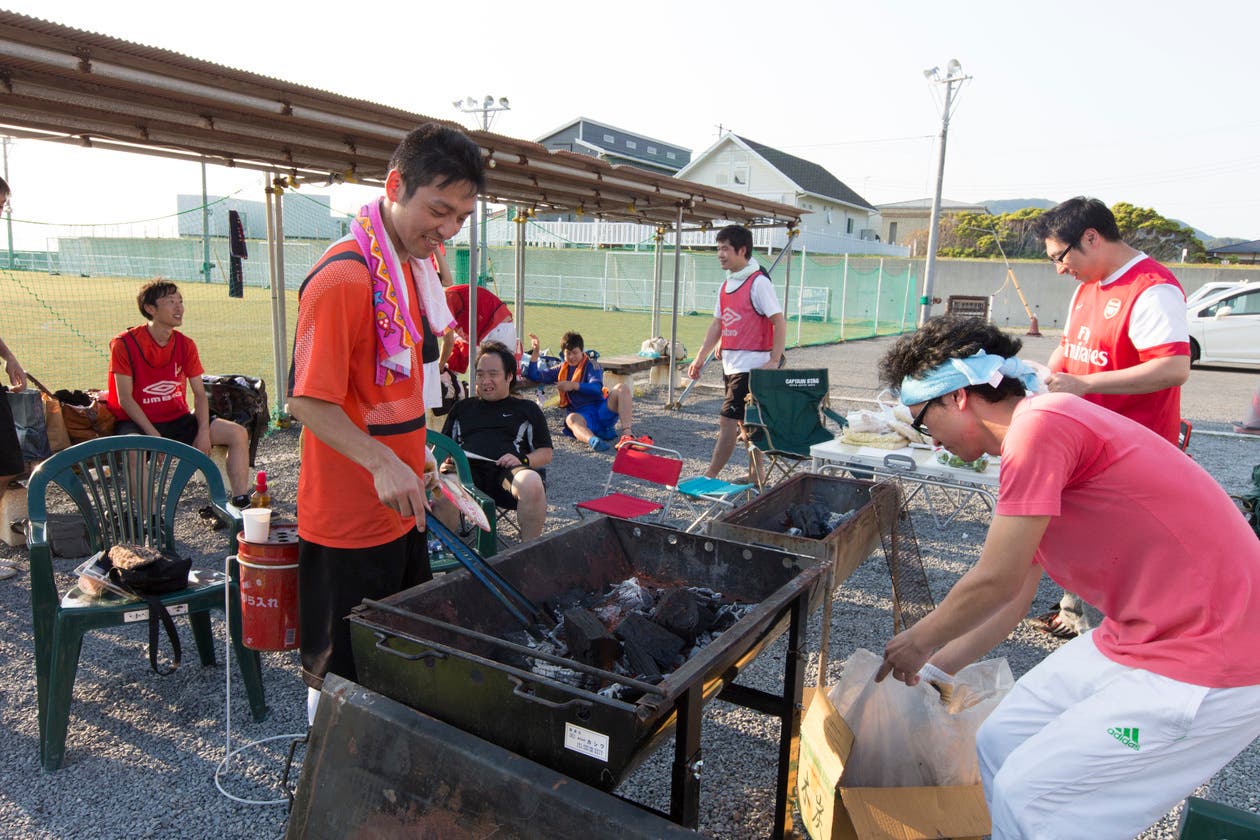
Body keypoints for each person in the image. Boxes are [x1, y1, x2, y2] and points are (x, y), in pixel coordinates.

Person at [874, 315, 1260, 840]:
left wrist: (915, 642)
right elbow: (1013, 593)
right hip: (1142, 633)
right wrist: (934, 672)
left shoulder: (1041, 427)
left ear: (958, 398)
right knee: (998, 742)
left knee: (1034, 797)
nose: (930, 440)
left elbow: (994, 578)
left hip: (1210, 656)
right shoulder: (1040, 430)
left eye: (922, 421)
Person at [288, 123, 482, 723]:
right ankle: (324, 793)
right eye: (438, 210)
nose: (448, 230)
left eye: (462, 218)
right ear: (396, 184)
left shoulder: (413, 268)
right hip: (348, 517)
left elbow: (388, 392)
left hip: (403, 506)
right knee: (339, 672)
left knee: (395, 657)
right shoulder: (346, 275)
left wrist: (417, 456)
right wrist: (379, 461)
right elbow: (305, 401)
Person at [1032, 197, 1192, 638]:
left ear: (1091, 237)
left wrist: (1087, 386)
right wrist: (1041, 380)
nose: (1059, 270)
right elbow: (1071, 349)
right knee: (1081, 535)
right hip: (1085, 441)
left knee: (1120, 547)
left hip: (1131, 449)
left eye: (1060, 258)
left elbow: (1174, 368)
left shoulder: (1151, 288)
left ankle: (1122, 637)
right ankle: (1074, 612)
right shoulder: (1088, 285)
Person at [103, 279, 255, 508]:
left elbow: (199, 393)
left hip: (176, 419)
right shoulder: (124, 344)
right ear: (150, 309)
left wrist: (203, 431)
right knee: (134, 450)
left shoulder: (185, 344)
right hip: (137, 422)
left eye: (181, 301)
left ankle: (240, 503)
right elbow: (125, 398)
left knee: (238, 434)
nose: (179, 308)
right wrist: (154, 435)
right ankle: (150, 518)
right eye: (170, 302)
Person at [686, 224, 785, 483]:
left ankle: (709, 477)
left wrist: (774, 360)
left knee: (727, 423)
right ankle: (756, 475)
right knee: (745, 424)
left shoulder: (759, 283)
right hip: (731, 365)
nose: (720, 254)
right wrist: (700, 357)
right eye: (718, 248)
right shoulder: (726, 285)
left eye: (725, 249)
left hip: (752, 367)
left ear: (742, 251)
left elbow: (779, 321)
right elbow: (719, 323)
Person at [440, 341, 552, 541]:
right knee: (444, 485)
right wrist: (445, 461)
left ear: (509, 376)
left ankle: (528, 553)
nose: (485, 381)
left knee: (533, 482)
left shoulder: (527, 409)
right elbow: (443, 448)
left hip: (508, 476)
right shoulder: (462, 408)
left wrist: (522, 460)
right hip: (466, 474)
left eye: (493, 374)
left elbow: (546, 453)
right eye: (480, 374)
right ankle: (446, 553)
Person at [523, 330, 636, 452]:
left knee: (621, 388)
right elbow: (534, 375)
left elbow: (596, 389)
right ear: (563, 354)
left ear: (582, 351)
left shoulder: (592, 365)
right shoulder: (561, 369)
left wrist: (573, 385)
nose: (571, 357)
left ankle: (627, 434)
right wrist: (535, 352)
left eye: (575, 353)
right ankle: (593, 440)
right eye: (568, 354)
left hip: (602, 410)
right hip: (583, 416)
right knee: (570, 419)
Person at [440, 282, 516, 375]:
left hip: (496, 330)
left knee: (488, 377)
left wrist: (440, 365)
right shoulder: (445, 296)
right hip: (496, 328)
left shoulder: (442, 300)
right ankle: (450, 379)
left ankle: (448, 380)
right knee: (458, 348)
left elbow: (448, 341)